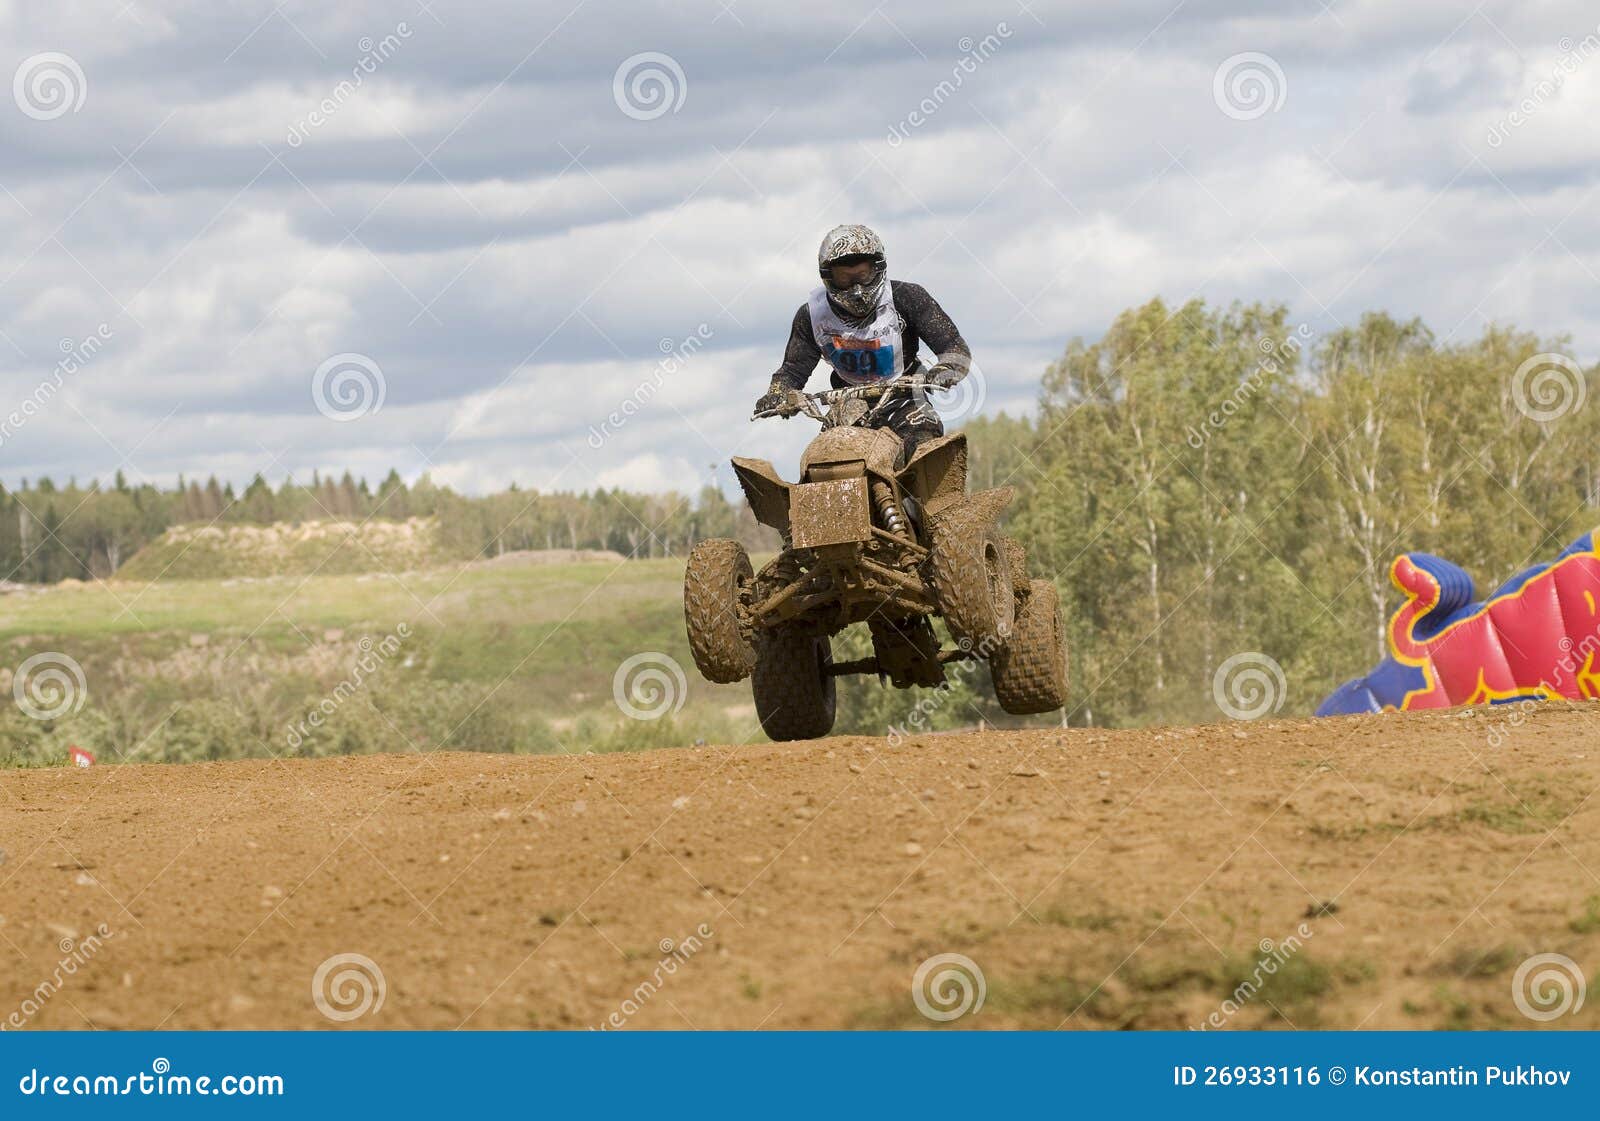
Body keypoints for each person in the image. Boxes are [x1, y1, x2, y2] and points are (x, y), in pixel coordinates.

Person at [753, 224, 971, 456]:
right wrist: (777, 393)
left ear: (878, 269)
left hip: (906, 401)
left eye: (863, 276)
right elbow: (792, 370)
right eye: (845, 279)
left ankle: (934, 479)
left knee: (924, 445)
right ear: (828, 277)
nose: (857, 290)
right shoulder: (812, 316)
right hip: (846, 406)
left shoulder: (909, 298)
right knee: (823, 455)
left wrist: (946, 369)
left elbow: (953, 346)